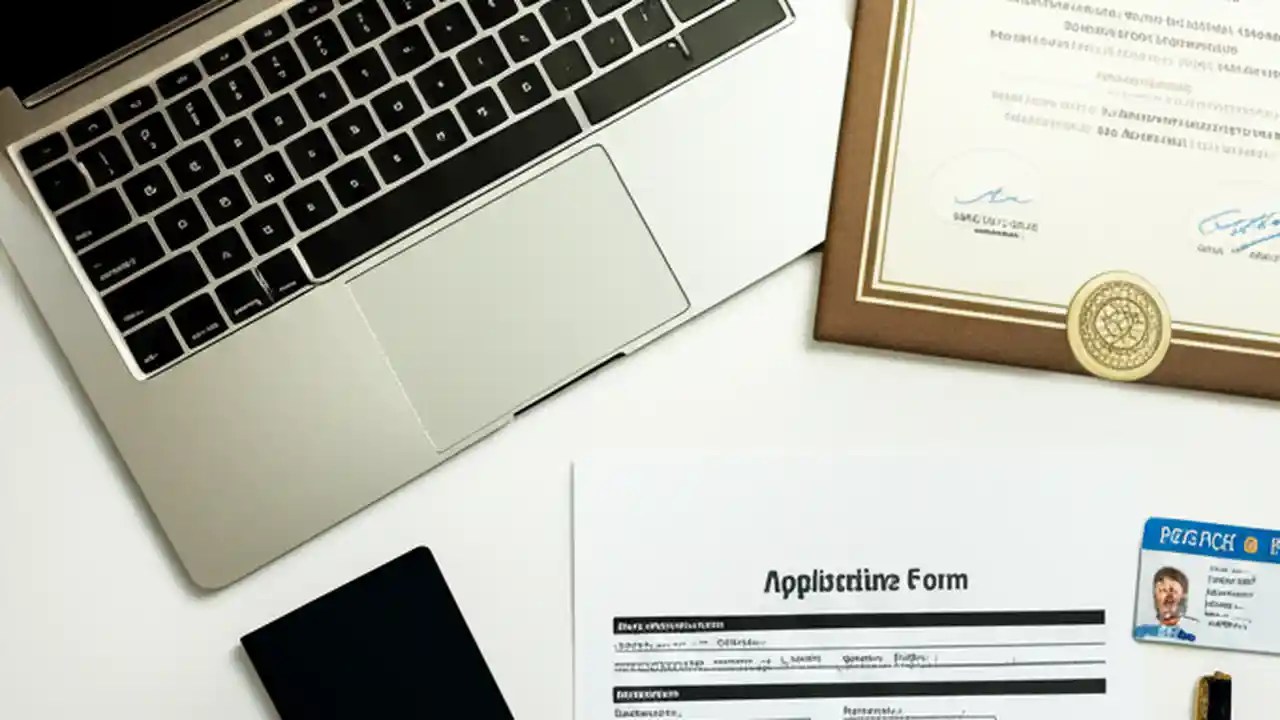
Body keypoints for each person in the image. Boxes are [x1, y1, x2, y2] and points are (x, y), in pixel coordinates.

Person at [1134, 567, 1197, 642]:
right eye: (1162, 590)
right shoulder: (1141, 632)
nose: (1168, 596)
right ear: (1155, 596)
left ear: (1184, 595)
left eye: (1173, 590)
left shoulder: (1195, 630)